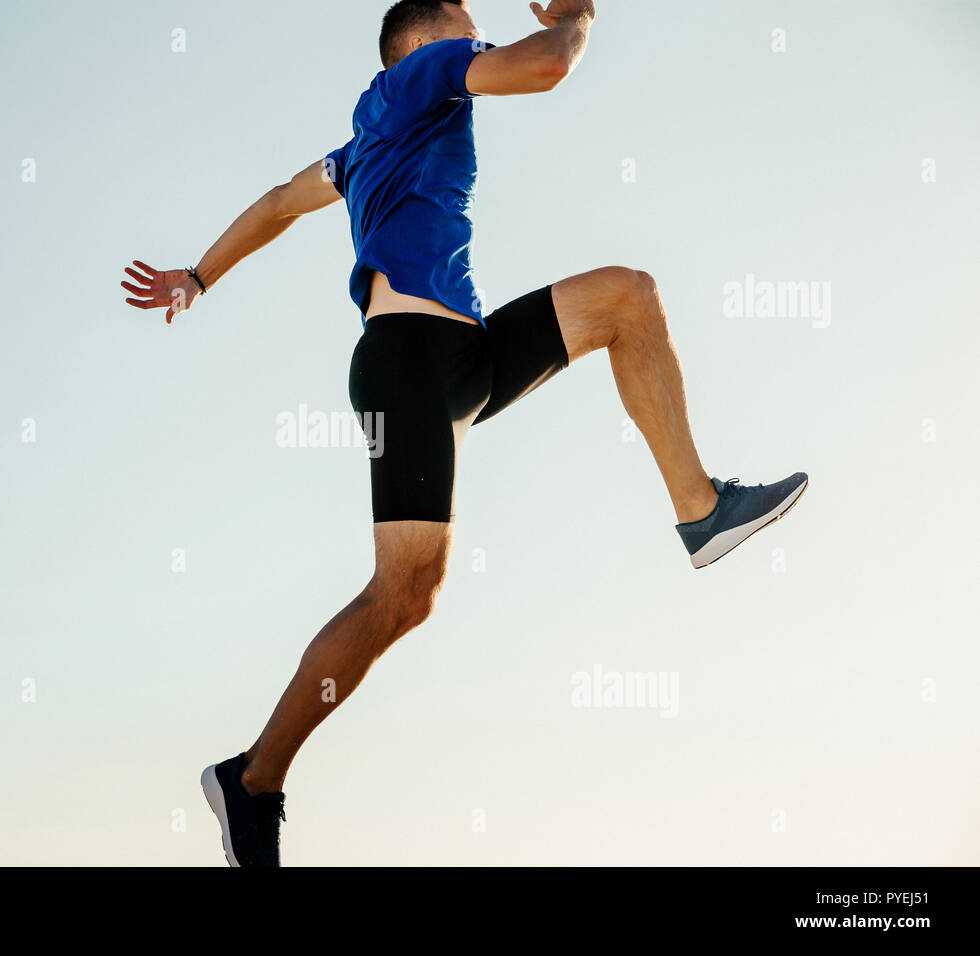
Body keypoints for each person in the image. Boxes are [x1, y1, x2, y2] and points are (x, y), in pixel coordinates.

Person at [122, 0, 808, 867]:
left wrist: (199, 276)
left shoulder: (362, 143)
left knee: (627, 297)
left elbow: (279, 201)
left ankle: (701, 511)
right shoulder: (418, 77)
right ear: (422, 42)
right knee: (403, 594)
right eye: (467, 22)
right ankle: (252, 780)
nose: (481, 35)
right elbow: (549, 62)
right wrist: (576, 14)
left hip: (462, 356)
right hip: (411, 362)